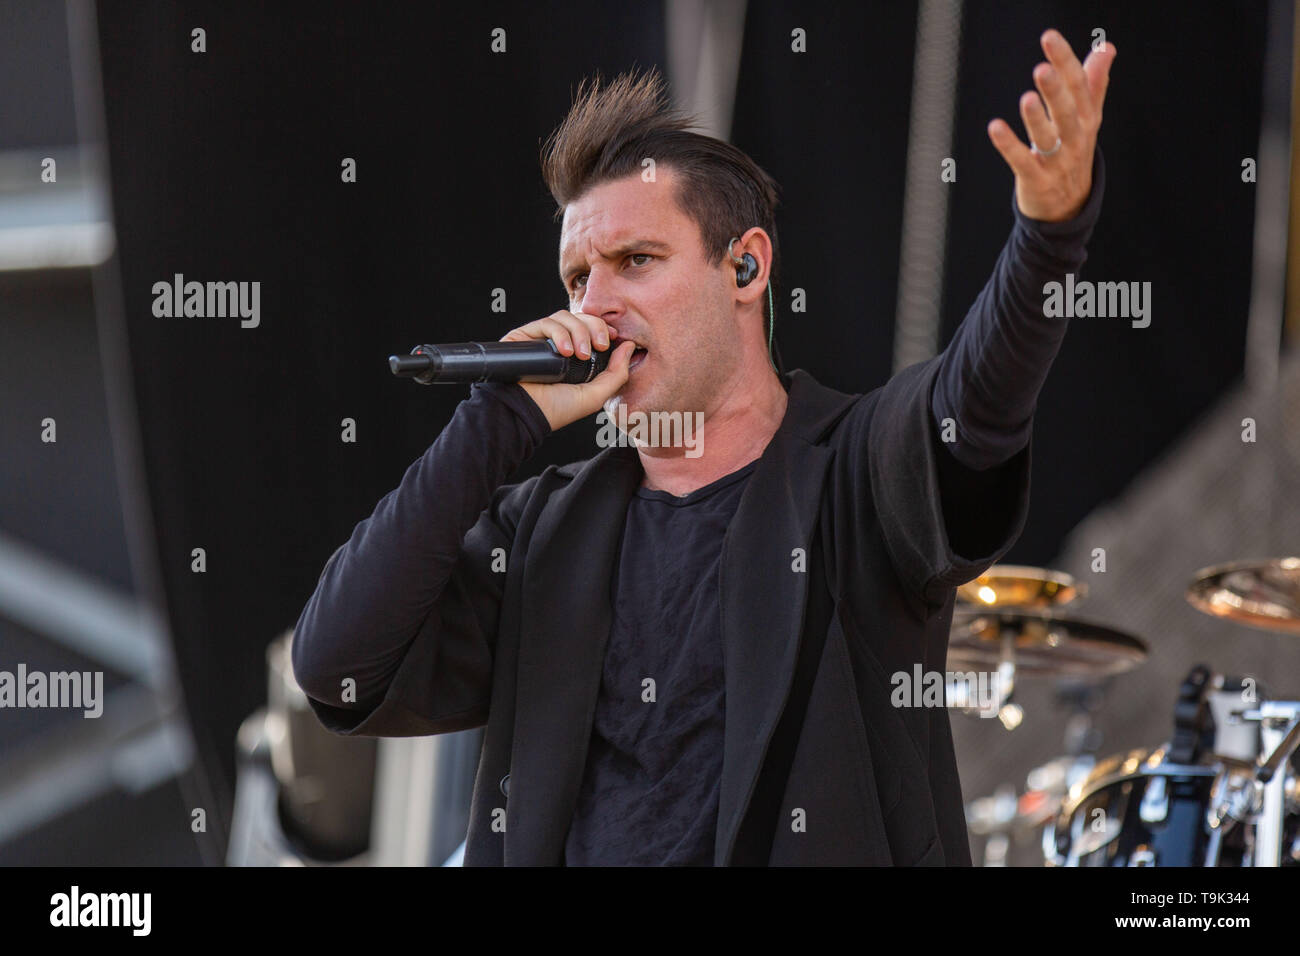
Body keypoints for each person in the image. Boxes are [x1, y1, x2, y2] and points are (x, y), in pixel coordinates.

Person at [292, 30, 1116, 865]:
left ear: (746, 269)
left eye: (636, 261)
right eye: (578, 278)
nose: (596, 305)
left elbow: (976, 402)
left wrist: (1048, 239)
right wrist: (497, 420)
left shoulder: (854, 470)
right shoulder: (543, 535)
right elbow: (336, 665)